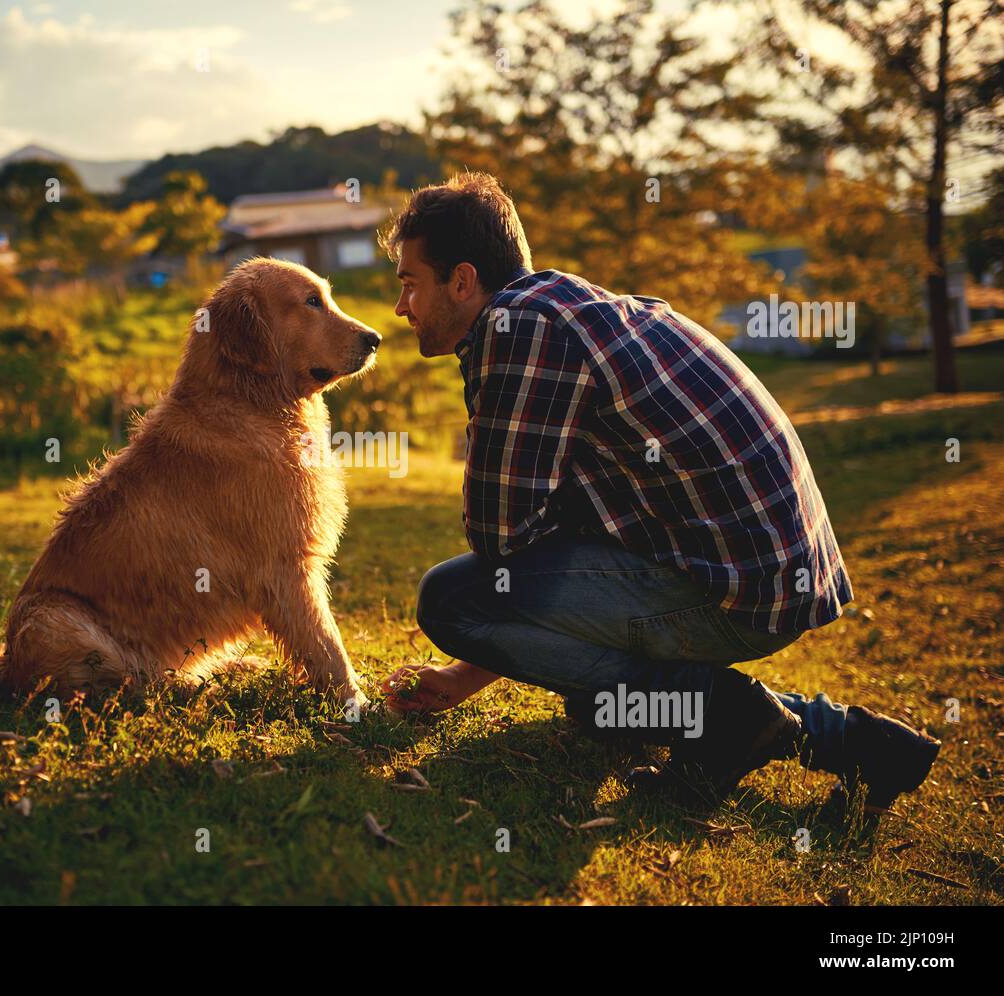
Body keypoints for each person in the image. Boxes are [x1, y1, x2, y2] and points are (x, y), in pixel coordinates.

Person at [378, 172, 940, 813]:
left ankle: (721, 719)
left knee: (449, 601)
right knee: (601, 710)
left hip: (737, 588)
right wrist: (465, 676)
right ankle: (860, 742)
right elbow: (547, 548)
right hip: (775, 574)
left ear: (461, 280)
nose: (401, 306)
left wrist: (471, 647)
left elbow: (499, 539)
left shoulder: (518, 330)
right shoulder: (575, 308)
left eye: (408, 282)